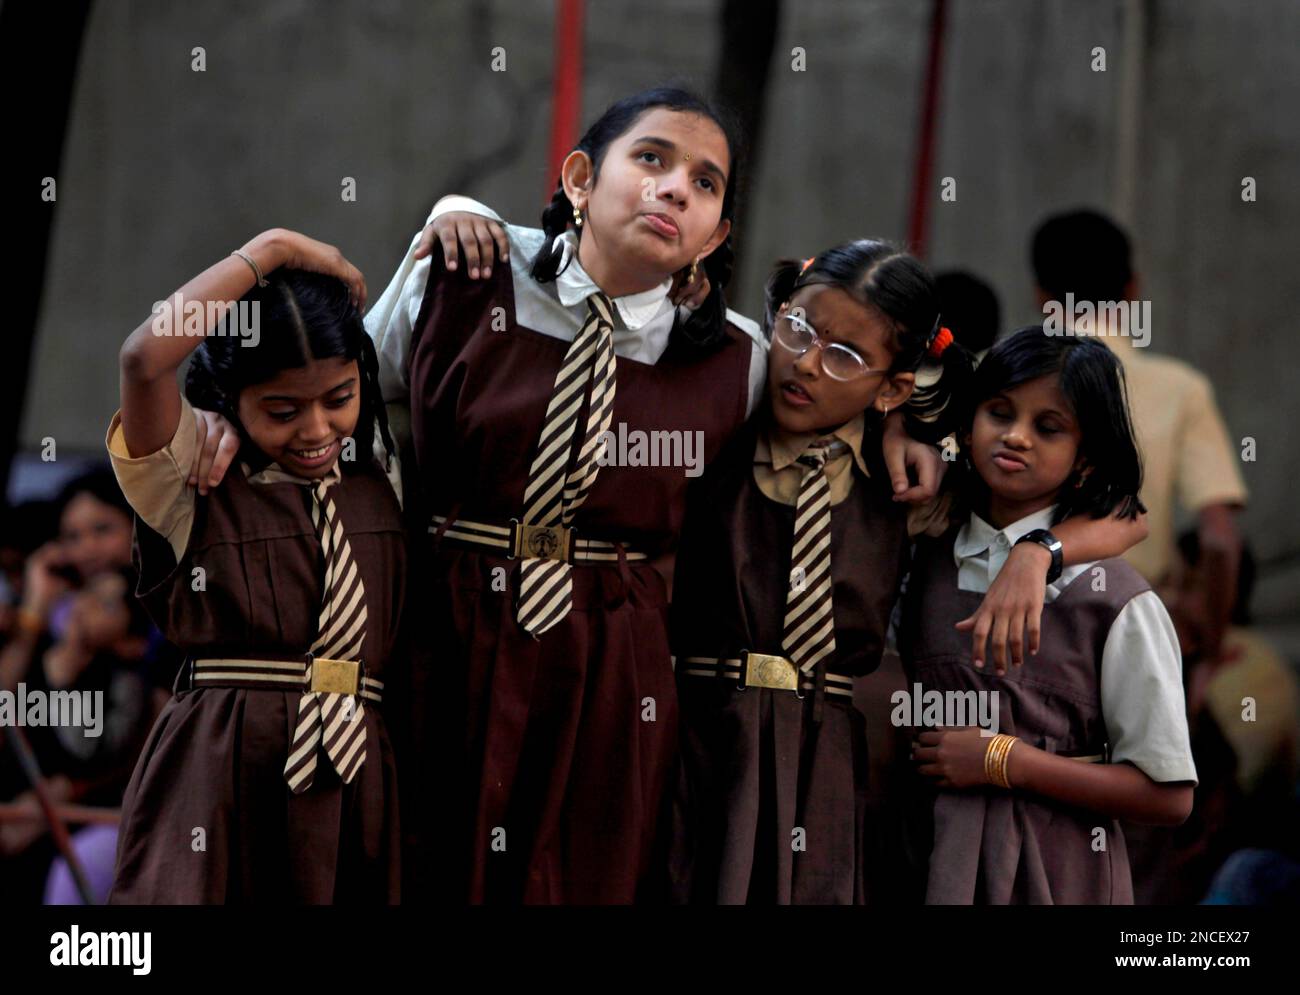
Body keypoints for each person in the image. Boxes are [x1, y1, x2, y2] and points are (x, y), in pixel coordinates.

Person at [667, 245, 1149, 904]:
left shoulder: (906, 485)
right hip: (695, 726)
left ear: (893, 386)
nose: (807, 361)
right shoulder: (728, 410)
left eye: (844, 356)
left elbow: (1129, 517)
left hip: (823, 753)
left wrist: (1038, 551)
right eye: (799, 329)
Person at [105, 228, 406, 903]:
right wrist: (270, 250)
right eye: (281, 409)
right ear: (227, 398)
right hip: (220, 767)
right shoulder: (192, 478)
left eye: (339, 398)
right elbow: (142, 361)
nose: (316, 429)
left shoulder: (384, 471)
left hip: (357, 769)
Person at [900, 326, 1197, 904]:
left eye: (1048, 427)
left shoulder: (1118, 601)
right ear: (966, 424)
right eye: (998, 412)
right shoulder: (921, 561)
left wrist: (1003, 759)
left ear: (1085, 459)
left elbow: (1169, 796)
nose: (1015, 437)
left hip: (1057, 875)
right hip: (923, 860)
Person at [1031, 209, 1247, 662]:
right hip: (1133, 635)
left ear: (1041, 296)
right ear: (1133, 288)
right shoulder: (1181, 389)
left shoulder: (996, 383)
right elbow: (1220, 542)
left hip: (1016, 626)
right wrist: (1208, 649)